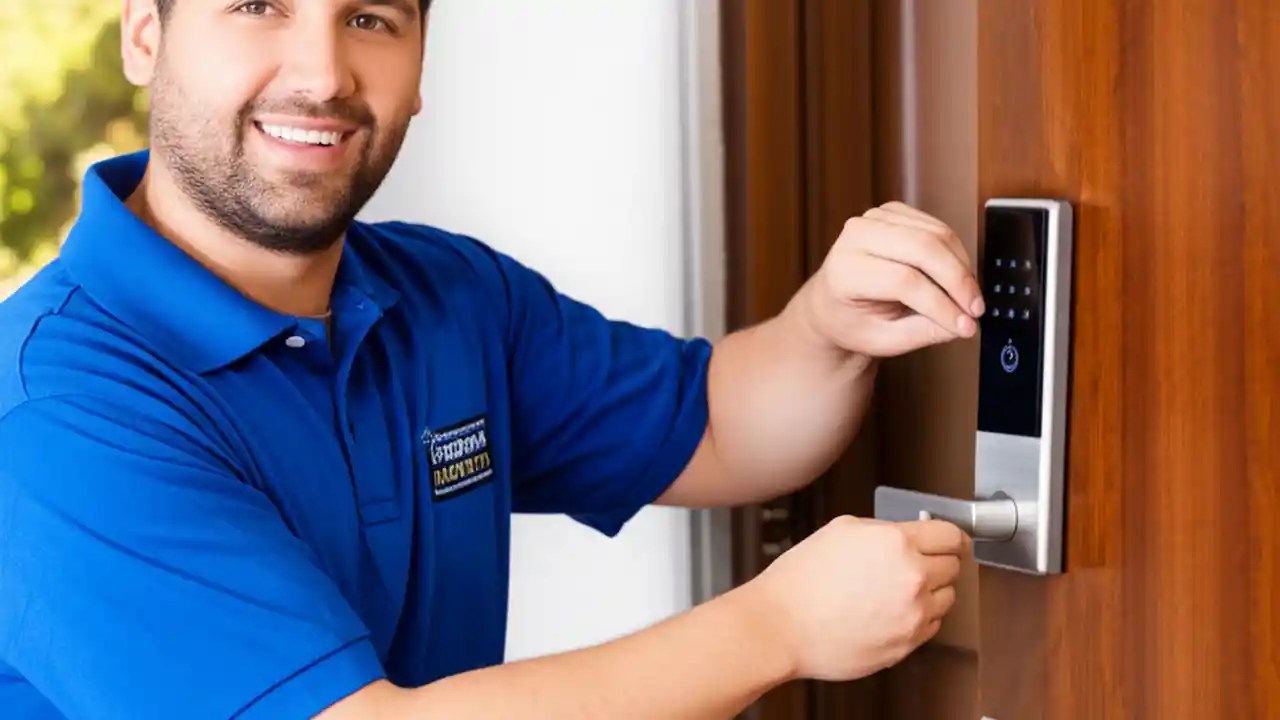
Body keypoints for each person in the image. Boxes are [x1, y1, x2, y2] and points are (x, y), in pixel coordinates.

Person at [0, 1, 986, 718]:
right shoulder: (54, 406)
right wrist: (775, 630)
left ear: (420, 61)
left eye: (370, 18)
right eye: (258, 6)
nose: (322, 72)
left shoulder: (445, 298)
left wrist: (827, 322)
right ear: (145, 33)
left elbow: (723, 426)